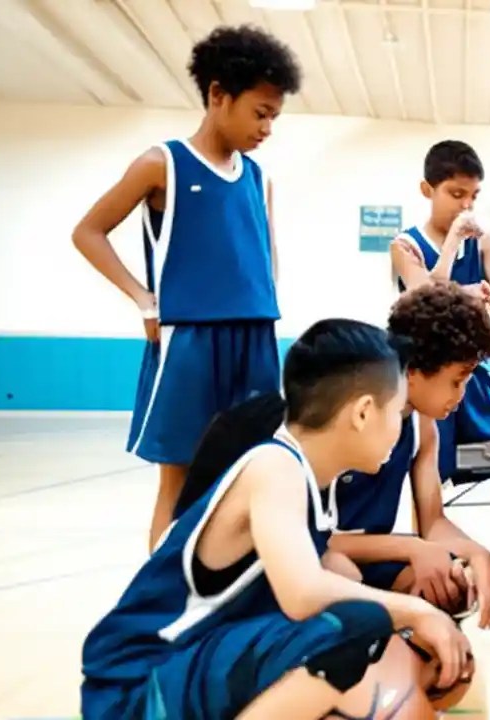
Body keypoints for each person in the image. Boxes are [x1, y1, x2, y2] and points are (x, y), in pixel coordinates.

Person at [81, 318, 475, 720]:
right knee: (353, 627)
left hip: (183, 665)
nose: (400, 426)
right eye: (396, 411)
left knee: (411, 664)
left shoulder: (306, 478)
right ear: (362, 413)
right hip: (136, 686)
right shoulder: (274, 466)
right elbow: (303, 594)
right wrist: (418, 614)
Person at [72, 25, 301, 552]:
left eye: (275, 117)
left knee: (249, 473)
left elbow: (264, 257)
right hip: (189, 341)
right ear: (218, 95)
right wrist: (142, 297)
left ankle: (224, 595)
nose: (268, 127)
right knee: (178, 481)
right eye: (260, 113)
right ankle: (160, 606)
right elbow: (88, 232)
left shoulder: (257, 177)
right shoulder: (162, 163)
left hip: (256, 339)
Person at [390, 139, 490, 618]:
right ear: (429, 189)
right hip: (425, 379)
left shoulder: (484, 239)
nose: (466, 205)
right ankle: (433, 564)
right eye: (457, 193)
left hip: (470, 376)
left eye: (473, 196)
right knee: (428, 479)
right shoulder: (405, 245)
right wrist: (455, 252)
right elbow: (422, 296)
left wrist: (472, 277)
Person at [327, 282, 490, 632]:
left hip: (374, 556)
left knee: (450, 586)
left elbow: (433, 523)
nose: (462, 394)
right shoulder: (347, 415)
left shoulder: (423, 425)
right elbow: (311, 539)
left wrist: (477, 554)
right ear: (412, 371)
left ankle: (411, 649)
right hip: (315, 560)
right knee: (341, 571)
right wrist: (413, 548)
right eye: (457, 381)